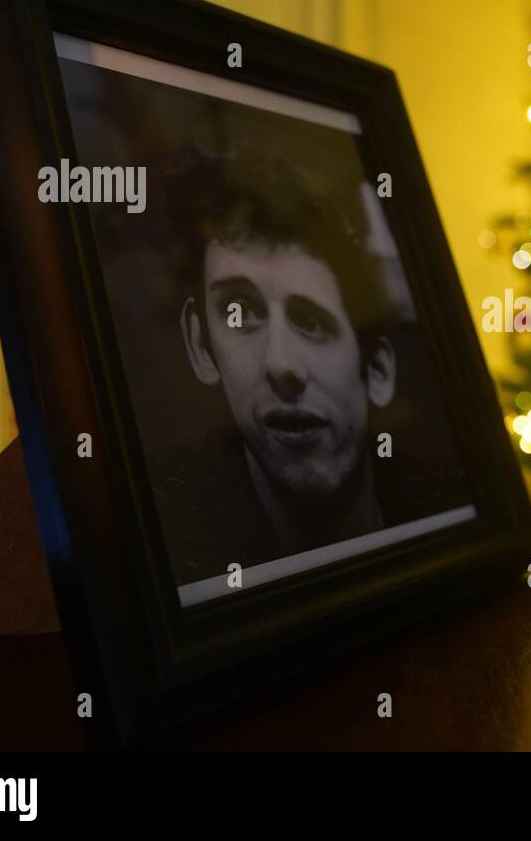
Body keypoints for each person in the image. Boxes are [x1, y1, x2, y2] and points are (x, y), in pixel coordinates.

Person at [153, 143, 397, 584]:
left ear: (377, 369)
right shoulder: (158, 539)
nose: (280, 365)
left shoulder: (441, 503)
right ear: (200, 345)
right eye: (240, 313)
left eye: (310, 320)